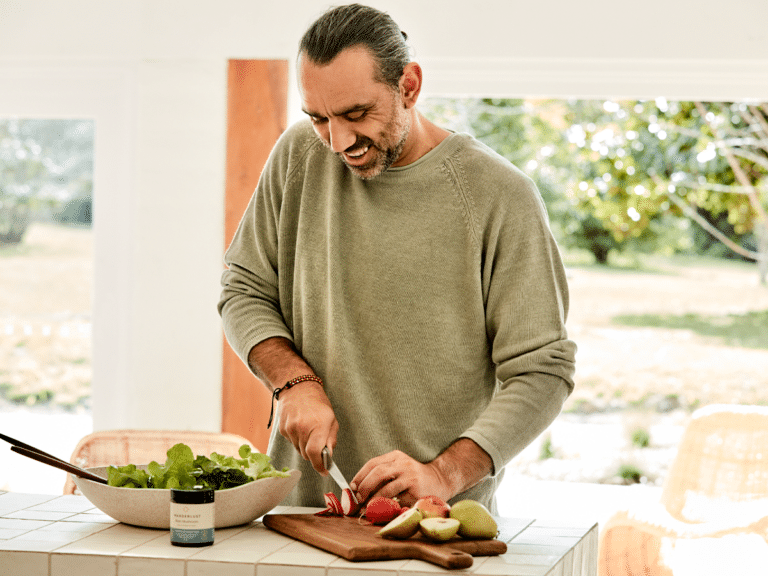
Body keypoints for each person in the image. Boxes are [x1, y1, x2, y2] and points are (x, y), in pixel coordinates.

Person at [218, 3, 576, 512]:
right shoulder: (299, 155)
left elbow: (542, 372)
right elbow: (243, 290)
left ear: (408, 85)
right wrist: (293, 383)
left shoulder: (499, 196)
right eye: (319, 117)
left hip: (434, 525)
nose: (338, 141)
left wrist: (443, 474)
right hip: (299, 513)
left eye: (356, 114)